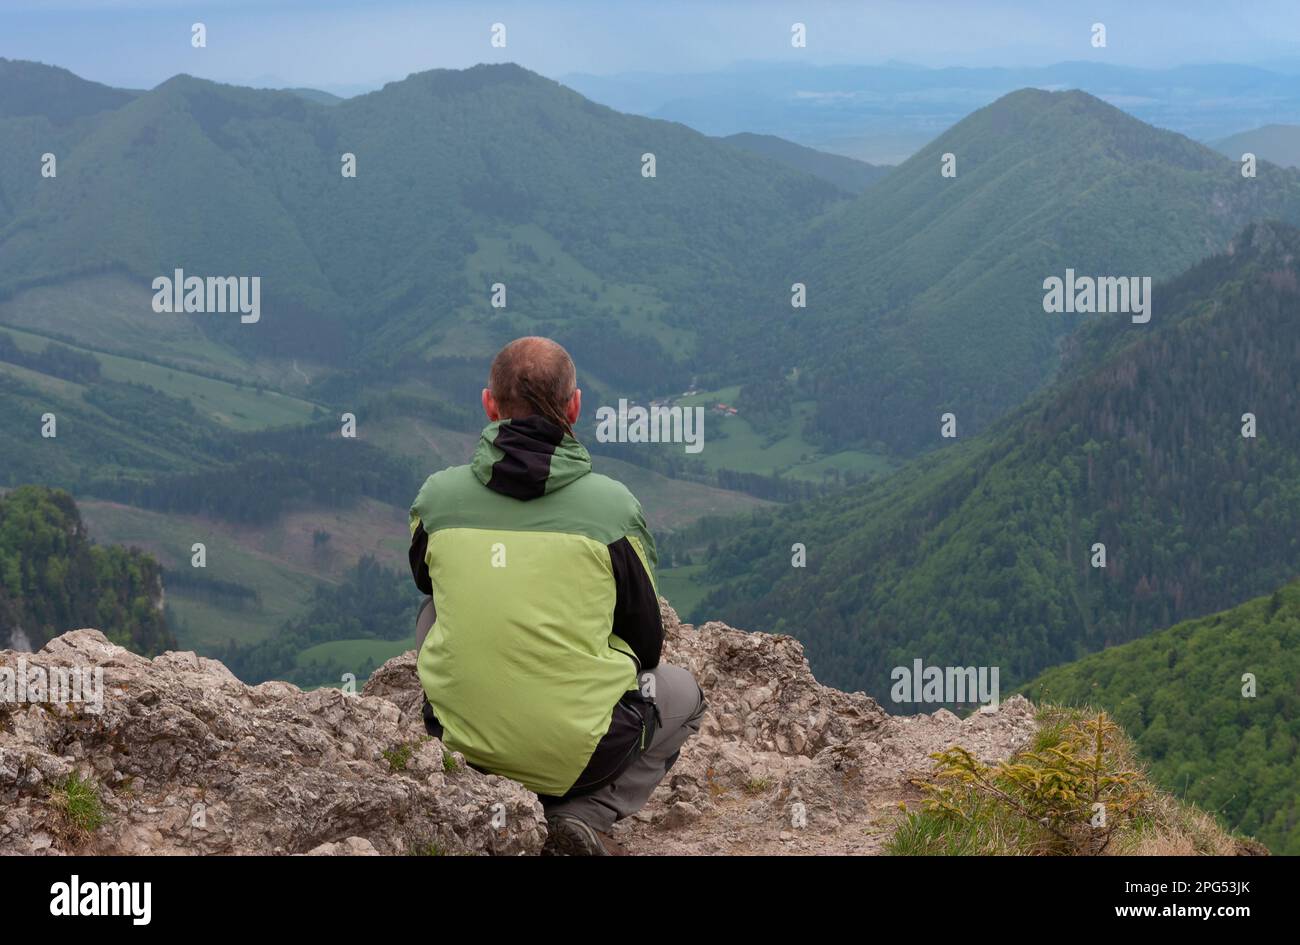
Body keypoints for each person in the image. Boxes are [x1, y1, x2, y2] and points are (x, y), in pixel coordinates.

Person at [408, 336, 706, 856]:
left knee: (434, 609)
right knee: (680, 692)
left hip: (464, 743)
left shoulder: (437, 497)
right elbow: (647, 641)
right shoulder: (612, 509)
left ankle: (483, 774)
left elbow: (428, 584)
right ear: (575, 406)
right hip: (583, 755)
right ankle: (580, 815)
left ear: (489, 405)